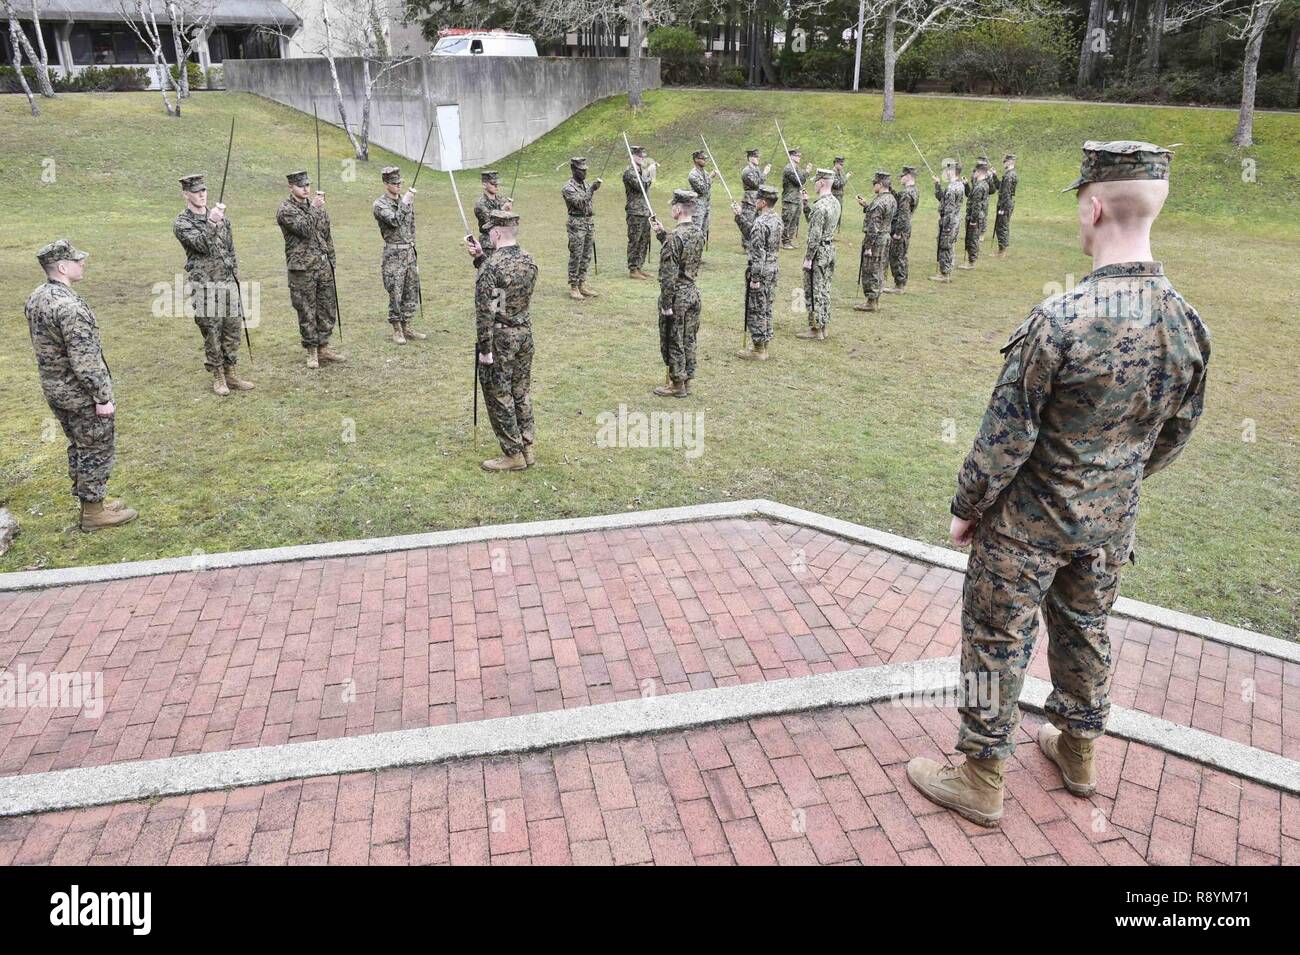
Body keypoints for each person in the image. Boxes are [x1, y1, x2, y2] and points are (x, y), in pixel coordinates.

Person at [906, 141, 1211, 828]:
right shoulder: (1188, 325)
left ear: (1093, 206)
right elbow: (1175, 434)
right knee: (1085, 629)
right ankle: (1078, 751)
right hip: (1108, 525)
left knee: (995, 637)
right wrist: (1115, 480)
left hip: (1026, 528)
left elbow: (1005, 436)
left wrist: (967, 507)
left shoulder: (1061, 320)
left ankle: (982, 776)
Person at [25, 240, 137, 531]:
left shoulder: (38, 297)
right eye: (77, 260)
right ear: (62, 267)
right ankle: (93, 514)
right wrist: (102, 397)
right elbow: (85, 361)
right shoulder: (69, 307)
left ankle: (93, 501)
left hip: (56, 390)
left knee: (79, 445)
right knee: (95, 449)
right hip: (80, 394)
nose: (82, 263)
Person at [466, 210, 539, 472]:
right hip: (524, 334)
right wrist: (480, 260)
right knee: (520, 390)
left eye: (489, 232)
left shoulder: (492, 266)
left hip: (501, 337)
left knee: (499, 394)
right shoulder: (529, 260)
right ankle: (527, 446)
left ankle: (512, 453)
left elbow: (487, 308)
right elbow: (506, 291)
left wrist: (484, 348)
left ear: (496, 233)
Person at [173, 173, 252, 395]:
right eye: (196, 191)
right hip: (205, 286)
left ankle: (231, 372)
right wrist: (211, 223)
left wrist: (233, 273)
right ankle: (218, 376)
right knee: (212, 330)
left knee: (232, 328)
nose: (201, 195)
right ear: (185, 194)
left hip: (227, 283)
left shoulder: (221, 219)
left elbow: (230, 249)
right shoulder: (182, 222)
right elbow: (201, 245)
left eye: (204, 190)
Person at [277, 170, 343, 368]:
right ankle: (311, 351)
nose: (306, 188)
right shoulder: (286, 210)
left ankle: (323, 346)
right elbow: (305, 229)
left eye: (307, 185)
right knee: (306, 310)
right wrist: (314, 208)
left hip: (323, 266)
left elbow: (326, 236)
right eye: (301, 185)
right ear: (291, 187)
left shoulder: (318, 208)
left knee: (327, 308)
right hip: (302, 269)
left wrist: (332, 262)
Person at [651, 189, 705, 397]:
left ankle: (676, 383)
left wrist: (666, 304)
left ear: (678, 208)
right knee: (689, 337)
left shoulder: (675, 237)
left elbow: (668, 275)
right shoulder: (698, 232)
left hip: (678, 295)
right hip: (692, 291)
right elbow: (685, 254)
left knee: (673, 337)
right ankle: (687, 377)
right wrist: (662, 235)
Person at [372, 165, 427, 344]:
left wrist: (413, 249)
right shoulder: (380, 205)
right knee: (395, 291)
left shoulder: (406, 201)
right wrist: (405, 203)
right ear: (386, 183)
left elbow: (411, 227)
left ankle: (407, 326)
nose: (398, 185)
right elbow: (394, 220)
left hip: (409, 252)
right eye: (394, 183)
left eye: (399, 182)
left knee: (411, 290)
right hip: (393, 254)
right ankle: (396, 329)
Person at [734, 184, 781, 361]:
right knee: (767, 306)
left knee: (757, 308)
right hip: (772, 268)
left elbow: (758, 251)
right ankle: (765, 341)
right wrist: (739, 217)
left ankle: (758, 348)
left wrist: (754, 277)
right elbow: (752, 233)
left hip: (761, 271)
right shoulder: (776, 219)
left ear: (762, 202)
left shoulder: (761, 223)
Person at [796, 169, 839, 341]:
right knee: (825, 289)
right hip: (829, 250)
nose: (814, 184)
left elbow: (814, 235)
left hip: (819, 252)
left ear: (821, 183)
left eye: (816, 181)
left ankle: (815, 329)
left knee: (813, 290)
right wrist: (806, 206)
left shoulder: (820, 207)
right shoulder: (835, 202)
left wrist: (808, 258)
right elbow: (816, 223)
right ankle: (823, 325)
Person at [854, 171, 897, 312]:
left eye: (874, 184)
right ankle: (875, 298)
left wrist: (868, 246)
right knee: (880, 267)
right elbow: (882, 217)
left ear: (880, 184)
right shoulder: (891, 199)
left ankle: (871, 301)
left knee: (871, 268)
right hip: (885, 237)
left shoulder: (879, 202)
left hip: (876, 239)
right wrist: (866, 206)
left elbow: (874, 226)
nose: (873, 186)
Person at [562, 156, 601, 300]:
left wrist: (590, 188)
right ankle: (573, 286)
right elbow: (579, 202)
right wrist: (592, 189)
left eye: (585, 170)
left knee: (586, 255)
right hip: (576, 224)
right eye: (581, 170)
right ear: (573, 169)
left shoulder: (585, 184)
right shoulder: (568, 187)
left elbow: (588, 204)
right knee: (576, 255)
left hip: (588, 222)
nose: (584, 173)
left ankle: (582, 283)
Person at [623, 145, 656, 279]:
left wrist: (646, 172)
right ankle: (632, 269)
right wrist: (649, 174)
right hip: (635, 212)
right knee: (635, 240)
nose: (643, 158)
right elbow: (641, 186)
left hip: (645, 211)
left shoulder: (640, 171)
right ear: (633, 157)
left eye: (643, 156)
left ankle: (639, 266)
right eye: (640, 156)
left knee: (645, 240)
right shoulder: (630, 172)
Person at [885, 165, 919, 294]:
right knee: (902, 255)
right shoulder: (913, 190)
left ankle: (899, 285)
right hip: (906, 227)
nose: (901, 178)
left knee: (897, 256)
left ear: (909, 176)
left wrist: (897, 232)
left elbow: (903, 214)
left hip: (901, 228)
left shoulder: (906, 193)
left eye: (903, 176)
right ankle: (901, 283)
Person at [930, 159, 964, 283]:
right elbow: (942, 199)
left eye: (948, 170)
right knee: (949, 246)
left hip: (949, 221)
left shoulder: (951, 188)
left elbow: (948, 208)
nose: (947, 172)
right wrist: (937, 185)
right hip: (954, 220)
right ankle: (946, 272)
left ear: (953, 171)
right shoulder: (959, 185)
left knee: (945, 246)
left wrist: (945, 225)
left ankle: (945, 274)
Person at [959, 159, 991, 270]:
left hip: (975, 216)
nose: (973, 174)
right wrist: (966, 185)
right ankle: (971, 260)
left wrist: (973, 220)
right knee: (972, 238)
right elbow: (971, 196)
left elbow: (976, 205)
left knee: (972, 239)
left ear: (978, 172)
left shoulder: (979, 186)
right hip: (977, 215)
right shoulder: (982, 184)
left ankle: (971, 262)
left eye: (974, 172)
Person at [779, 147, 810, 248]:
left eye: (800, 155)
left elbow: (800, 184)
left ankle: (789, 240)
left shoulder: (796, 168)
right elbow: (799, 180)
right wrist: (807, 172)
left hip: (797, 198)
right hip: (789, 199)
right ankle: (785, 241)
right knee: (787, 220)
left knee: (795, 220)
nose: (799, 157)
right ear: (791, 156)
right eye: (797, 155)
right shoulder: (789, 168)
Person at [738, 148, 771, 241]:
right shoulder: (747, 171)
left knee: (757, 222)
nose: (758, 159)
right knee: (748, 222)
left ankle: (756, 242)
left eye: (758, 157)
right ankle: (746, 245)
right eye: (755, 157)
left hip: (757, 200)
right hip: (749, 201)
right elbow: (756, 184)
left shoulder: (756, 170)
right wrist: (765, 173)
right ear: (750, 158)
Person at [686, 149, 715, 250]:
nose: (704, 160)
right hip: (697, 207)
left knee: (704, 231)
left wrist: (709, 177)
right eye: (702, 159)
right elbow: (703, 189)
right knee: (696, 231)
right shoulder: (693, 175)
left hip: (706, 206)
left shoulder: (704, 172)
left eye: (705, 159)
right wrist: (711, 177)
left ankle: (698, 255)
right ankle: (691, 254)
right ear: (696, 160)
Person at [993, 154, 1018, 256]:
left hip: (1005, 204)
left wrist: (1002, 208)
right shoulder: (1009, 174)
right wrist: (994, 176)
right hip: (1006, 203)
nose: (1003, 163)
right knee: (1001, 225)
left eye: (1005, 161)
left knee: (1002, 226)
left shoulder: (1009, 176)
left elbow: (1006, 193)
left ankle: (1002, 251)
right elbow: (1000, 187)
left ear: (1010, 162)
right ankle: (1001, 249)